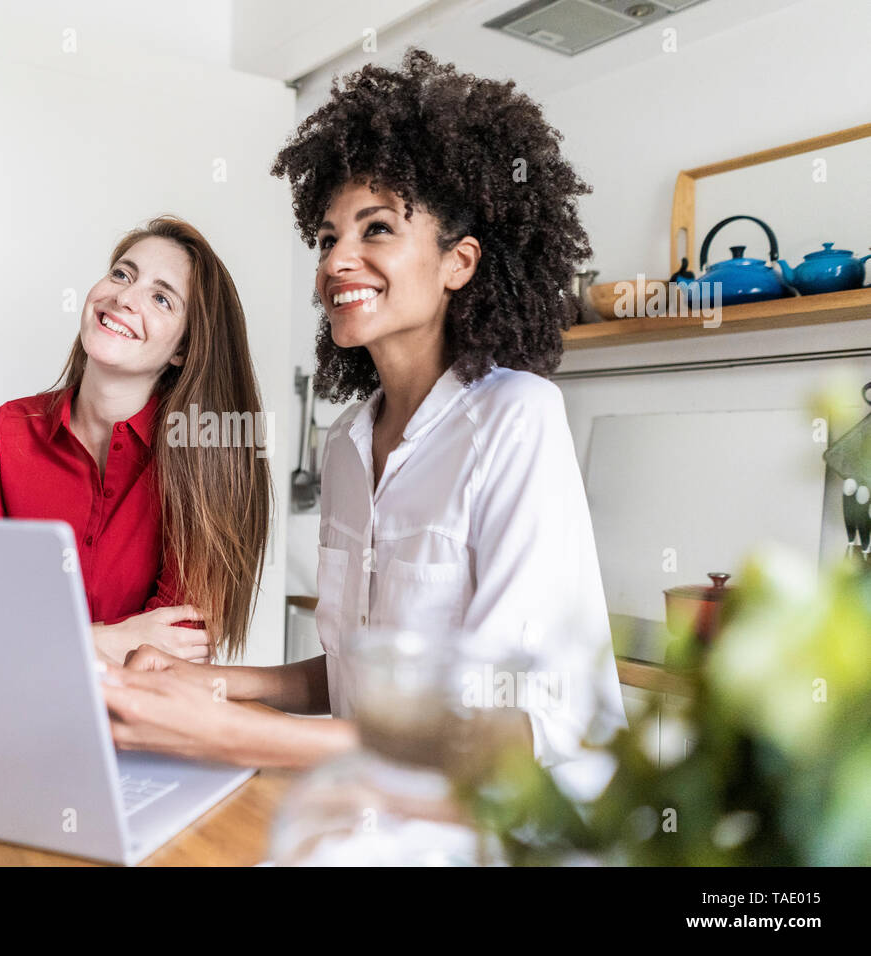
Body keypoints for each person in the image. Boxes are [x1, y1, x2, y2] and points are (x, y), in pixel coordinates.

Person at [103, 52, 627, 798]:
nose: (337, 260)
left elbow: (523, 724)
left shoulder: (516, 416)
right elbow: (358, 679)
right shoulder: (349, 444)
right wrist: (210, 683)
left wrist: (236, 732)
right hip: (391, 811)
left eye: (376, 229)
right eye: (325, 239)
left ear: (460, 262)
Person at [0, 216, 272, 666]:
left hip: (140, 729)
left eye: (161, 297)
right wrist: (110, 639)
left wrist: (28, 639)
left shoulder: (204, 459)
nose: (123, 297)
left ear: (183, 349)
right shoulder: (6, 432)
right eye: (122, 273)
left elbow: (168, 656)